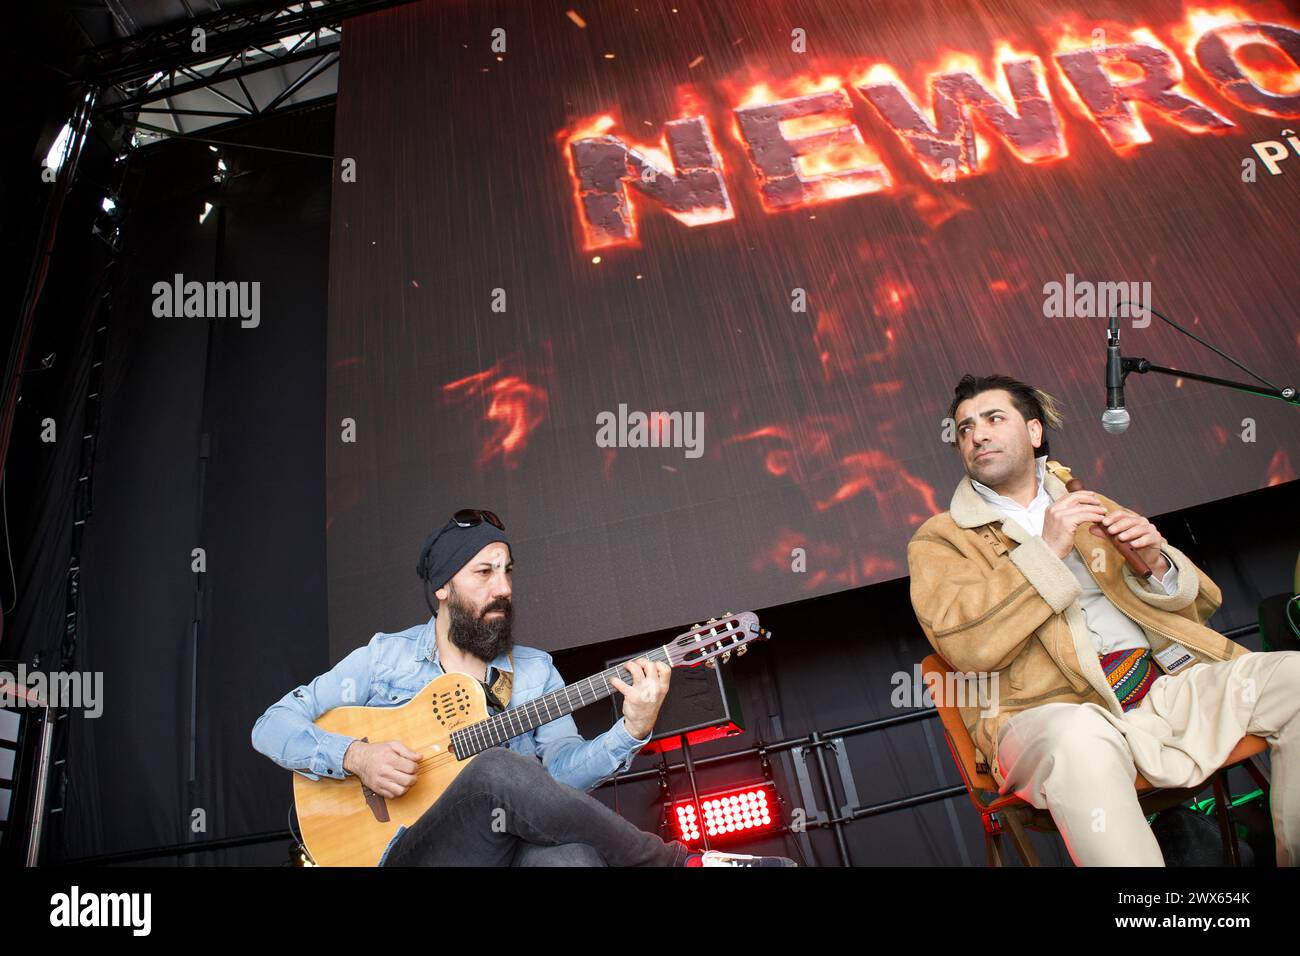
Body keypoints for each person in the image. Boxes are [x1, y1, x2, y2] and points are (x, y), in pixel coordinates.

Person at [252, 508, 795, 867]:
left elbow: (557, 780)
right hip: (401, 853)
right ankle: (680, 863)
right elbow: (271, 727)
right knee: (496, 767)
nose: (503, 588)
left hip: (503, 849)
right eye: (483, 574)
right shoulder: (383, 658)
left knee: (575, 859)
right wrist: (356, 756)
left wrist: (632, 729)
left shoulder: (534, 673)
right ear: (443, 588)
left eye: (508, 571)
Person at [907, 374, 1300, 865]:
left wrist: (1157, 563)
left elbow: (1199, 609)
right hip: (1045, 715)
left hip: (1158, 690)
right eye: (964, 429)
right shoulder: (939, 540)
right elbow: (965, 646)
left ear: (1034, 433)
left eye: (992, 419)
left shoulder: (1090, 503)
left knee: (1294, 679)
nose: (976, 435)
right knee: (1081, 743)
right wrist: (1046, 552)